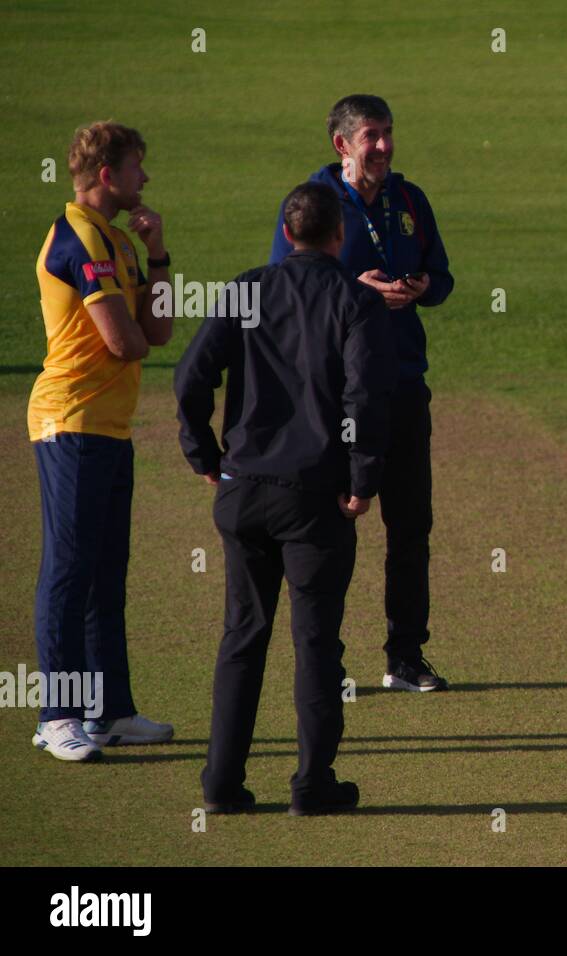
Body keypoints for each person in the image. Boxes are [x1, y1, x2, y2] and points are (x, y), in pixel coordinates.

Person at [176, 182, 397, 814]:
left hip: (243, 490)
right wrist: (362, 479)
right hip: (313, 499)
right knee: (317, 640)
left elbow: (191, 377)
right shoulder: (356, 302)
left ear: (286, 231)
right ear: (338, 236)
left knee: (242, 636)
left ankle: (220, 783)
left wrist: (206, 456)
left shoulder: (247, 289)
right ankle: (311, 783)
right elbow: (362, 399)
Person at [270, 94, 453, 693]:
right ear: (342, 144)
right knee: (330, 531)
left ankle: (406, 657)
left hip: (402, 386)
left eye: (389, 133)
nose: (384, 146)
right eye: (371, 135)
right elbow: (286, 293)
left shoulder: (409, 199)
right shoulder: (311, 205)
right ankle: (326, 662)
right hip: (332, 397)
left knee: (411, 527)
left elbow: (444, 278)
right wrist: (358, 289)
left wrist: (422, 286)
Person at [28, 121, 175, 762]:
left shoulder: (120, 240)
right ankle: (56, 715)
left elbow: (160, 331)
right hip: (71, 422)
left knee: (105, 573)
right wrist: (136, 332)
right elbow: (125, 340)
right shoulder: (76, 238)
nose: (145, 178)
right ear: (108, 175)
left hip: (110, 427)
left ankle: (109, 711)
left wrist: (161, 253)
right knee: (68, 570)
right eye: (137, 167)